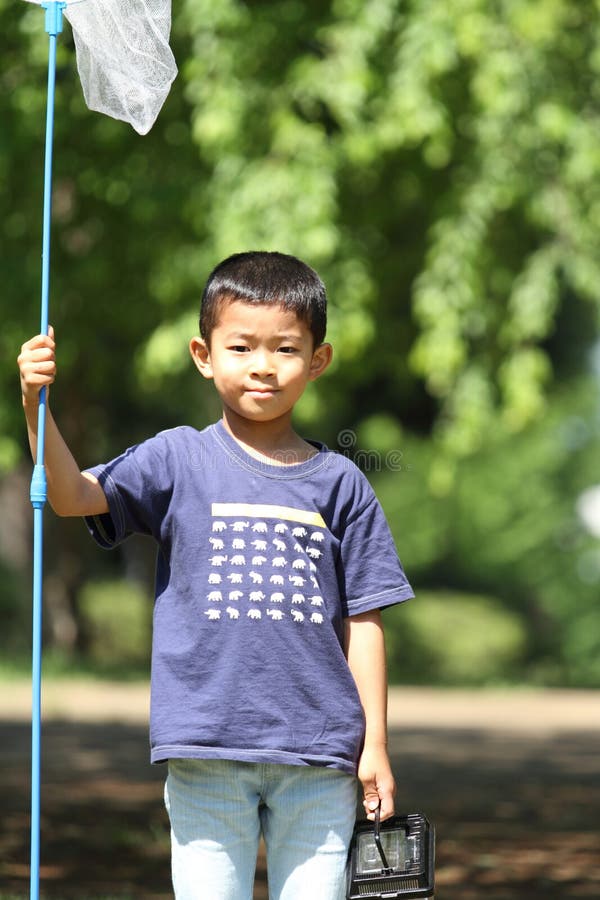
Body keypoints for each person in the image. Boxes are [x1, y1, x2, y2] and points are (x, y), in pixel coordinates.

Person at [18, 250, 414, 900]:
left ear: (318, 360)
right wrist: (35, 404)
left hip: (320, 756)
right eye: (241, 346)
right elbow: (70, 496)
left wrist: (375, 746)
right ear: (204, 355)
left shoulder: (342, 484)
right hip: (206, 747)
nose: (263, 365)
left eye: (285, 348)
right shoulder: (177, 458)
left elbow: (365, 621)